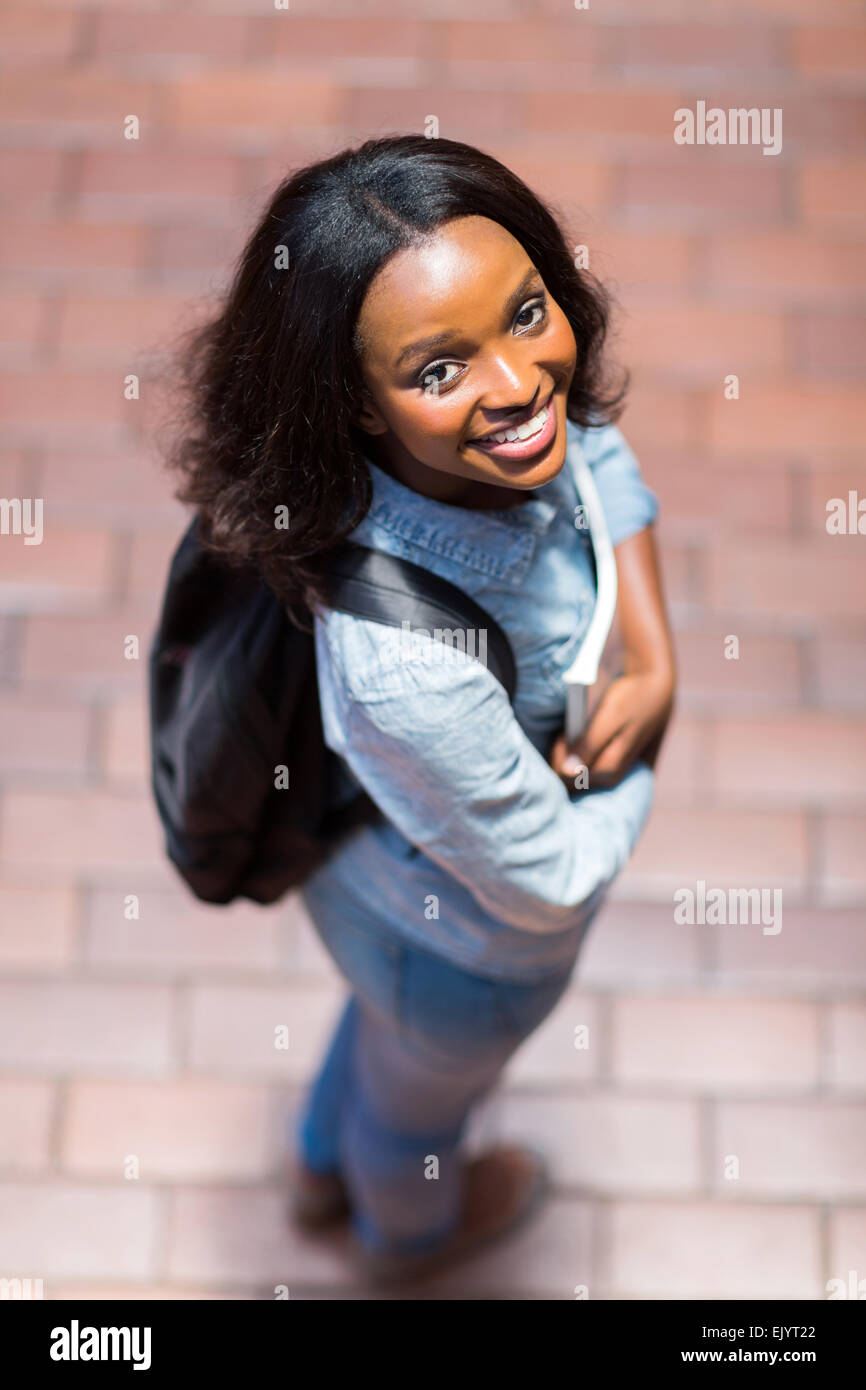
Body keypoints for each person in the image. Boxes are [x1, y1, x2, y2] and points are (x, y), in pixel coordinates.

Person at [167, 134, 676, 1285]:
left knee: (384, 1049)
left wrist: (646, 638)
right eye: (439, 370)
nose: (516, 384)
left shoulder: (501, 437)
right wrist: (630, 757)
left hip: (383, 884)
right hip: (462, 951)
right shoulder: (408, 667)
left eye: (527, 311)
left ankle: (313, 1167)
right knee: (419, 1122)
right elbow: (544, 884)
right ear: (352, 400)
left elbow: (588, 446)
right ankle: (404, 1241)